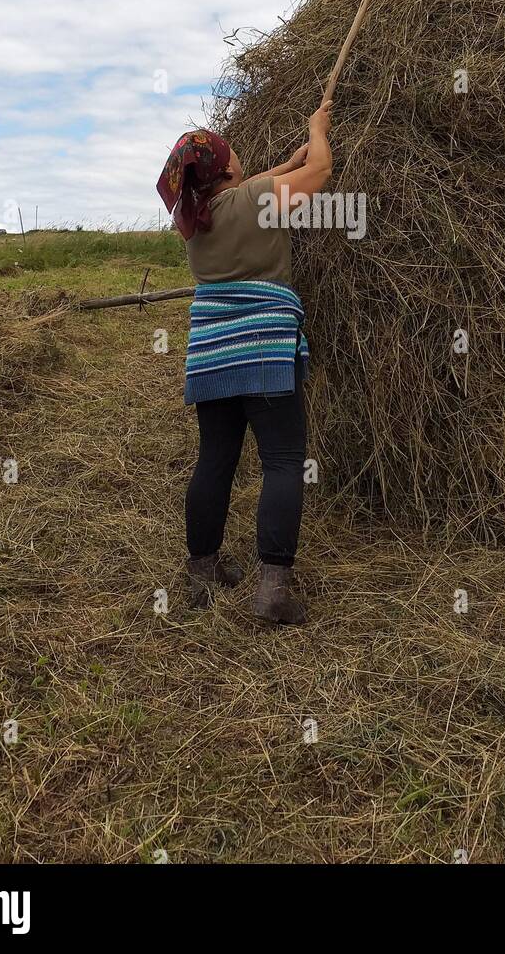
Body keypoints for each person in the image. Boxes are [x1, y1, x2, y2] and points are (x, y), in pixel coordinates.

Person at [156, 101, 333, 625]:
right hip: (263, 347)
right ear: (227, 169)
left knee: (216, 457)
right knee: (282, 461)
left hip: (212, 352)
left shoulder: (193, 218)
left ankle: (201, 571)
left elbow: (246, 189)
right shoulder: (256, 199)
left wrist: (285, 164)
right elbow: (321, 172)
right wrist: (316, 132)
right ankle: (272, 591)